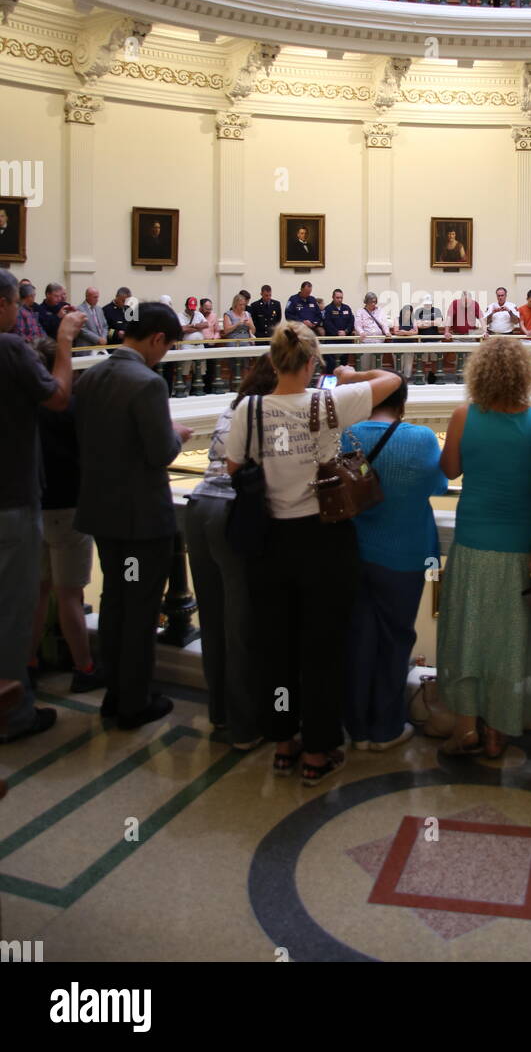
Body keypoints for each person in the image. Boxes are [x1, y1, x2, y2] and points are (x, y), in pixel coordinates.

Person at [225, 325, 401, 783]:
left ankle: (284, 742)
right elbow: (394, 381)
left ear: (272, 362)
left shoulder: (251, 407)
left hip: (269, 542)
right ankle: (318, 752)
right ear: (310, 364)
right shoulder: (329, 402)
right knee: (323, 650)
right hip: (325, 540)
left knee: (277, 649)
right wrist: (346, 374)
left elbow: (232, 465)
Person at [73, 302, 192, 727]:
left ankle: (117, 692)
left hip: (104, 517)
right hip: (140, 523)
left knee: (117, 602)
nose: (164, 355)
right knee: (140, 608)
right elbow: (160, 452)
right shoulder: (146, 382)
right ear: (157, 338)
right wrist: (177, 436)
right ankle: (133, 702)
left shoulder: (90, 376)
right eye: (167, 347)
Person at [437, 337, 531, 758]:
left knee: (469, 635)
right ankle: (498, 732)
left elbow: (449, 469)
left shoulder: (464, 417)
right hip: (522, 545)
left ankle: (466, 728)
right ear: (524, 375)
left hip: (473, 541)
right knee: (510, 640)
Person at [0, 272, 84, 743]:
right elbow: (58, 397)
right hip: (10, 501)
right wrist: (65, 343)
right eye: (16, 306)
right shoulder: (10, 349)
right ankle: (12, 714)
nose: (19, 315)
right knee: (12, 610)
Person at [343, 377, 447, 749]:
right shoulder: (419, 439)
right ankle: (385, 728)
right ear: (402, 405)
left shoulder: (347, 433)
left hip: (354, 552)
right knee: (395, 639)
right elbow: (437, 485)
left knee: (357, 636)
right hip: (404, 556)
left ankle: (355, 726)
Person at [185, 354, 277, 749]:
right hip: (231, 516)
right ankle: (244, 727)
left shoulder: (234, 405)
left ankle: (220, 712)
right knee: (241, 624)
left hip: (199, 509)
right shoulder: (267, 412)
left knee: (213, 617)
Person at [30, 337, 102, 693]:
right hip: (68, 507)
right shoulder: (69, 408)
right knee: (70, 596)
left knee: (37, 593)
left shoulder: (23, 405)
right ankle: (84, 667)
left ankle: (27, 664)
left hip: (32, 508)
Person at [321, 288, 355, 373]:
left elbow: (351, 322)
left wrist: (346, 331)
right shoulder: (328, 309)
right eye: (337, 297)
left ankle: (343, 379)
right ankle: (330, 378)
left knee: (344, 362)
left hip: (345, 339)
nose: (339, 299)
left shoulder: (346, 308)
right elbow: (327, 323)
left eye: (341, 298)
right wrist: (337, 333)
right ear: (333, 297)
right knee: (331, 362)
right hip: (332, 339)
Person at [355, 291, 391, 370]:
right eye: (371, 302)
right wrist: (361, 332)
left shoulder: (380, 311)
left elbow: (384, 324)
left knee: (377, 365)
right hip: (366, 342)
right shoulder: (360, 311)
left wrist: (387, 332)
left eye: (375, 302)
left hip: (379, 342)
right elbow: (357, 325)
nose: (373, 304)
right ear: (366, 302)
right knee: (365, 365)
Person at [391, 302, 418, 379]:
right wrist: (410, 332)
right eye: (406, 313)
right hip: (397, 345)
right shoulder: (397, 319)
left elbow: (416, 332)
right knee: (398, 364)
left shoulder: (413, 320)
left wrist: (404, 332)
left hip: (409, 344)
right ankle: (398, 380)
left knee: (408, 365)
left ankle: (406, 379)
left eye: (409, 313)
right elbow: (396, 332)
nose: (408, 315)